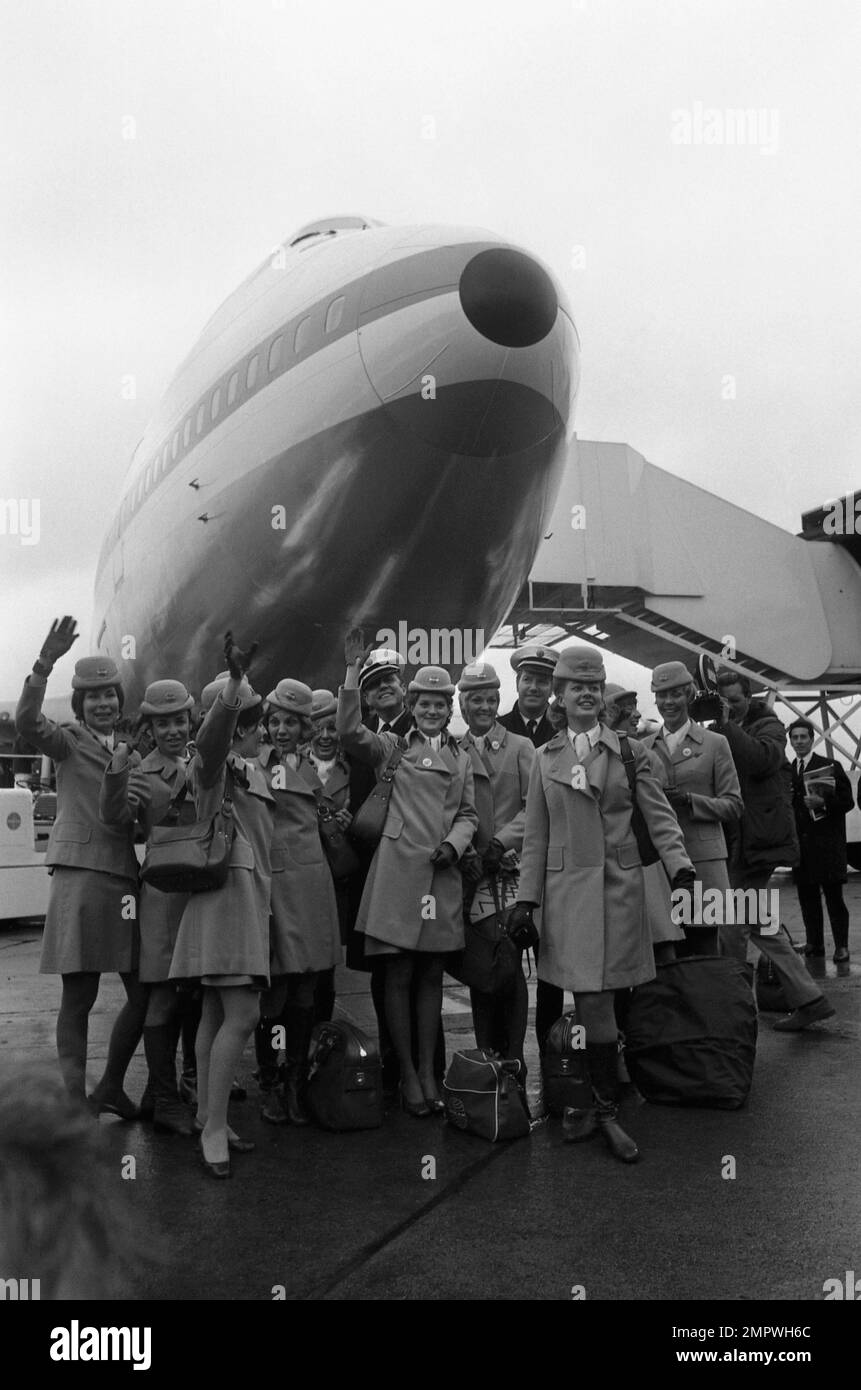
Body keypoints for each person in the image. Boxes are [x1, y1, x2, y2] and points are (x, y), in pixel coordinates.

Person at [511, 646, 696, 1163]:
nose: (587, 694)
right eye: (576, 687)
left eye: (594, 686)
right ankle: (605, 1109)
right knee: (594, 1001)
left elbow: (658, 815)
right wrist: (526, 901)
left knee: (611, 1000)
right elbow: (535, 838)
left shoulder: (631, 753)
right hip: (568, 894)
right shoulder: (545, 759)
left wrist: (680, 864)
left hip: (620, 889)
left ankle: (602, 1103)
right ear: (562, 696)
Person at [337, 630, 478, 1116]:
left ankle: (426, 1070)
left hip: (439, 875)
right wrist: (352, 671)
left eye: (441, 703)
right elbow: (348, 732)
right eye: (425, 703)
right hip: (396, 875)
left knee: (430, 980)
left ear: (448, 706)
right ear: (412, 705)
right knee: (397, 976)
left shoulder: (460, 756)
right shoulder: (391, 745)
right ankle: (411, 1077)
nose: (433, 711)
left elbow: (469, 815)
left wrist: (453, 846)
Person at [15, 618, 148, 1117]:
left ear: (119, 697)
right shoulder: (68, 741)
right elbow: (28, 722)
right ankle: (75, 1107)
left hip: (125, 879)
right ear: (79, 704)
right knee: (80, 995)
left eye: (109, 694)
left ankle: (111, 1085)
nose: (102, 703)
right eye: (91, 696)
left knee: (144, 994)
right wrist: (43, 663)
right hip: (81, 875)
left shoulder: (133, 750)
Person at [169, 636, 273, 1176]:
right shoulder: (212, 766)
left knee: (214, 1013)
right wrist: (233, 688)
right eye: (255, 722)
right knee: (244, 1012)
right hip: (226, 902)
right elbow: (211, 742)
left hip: (242, 902)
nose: (263, 730)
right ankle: (212, 1128)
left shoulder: (252, 770)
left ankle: (210, 1117)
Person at [100, 679, 198, 1136]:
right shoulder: (141, 772)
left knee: (188, 997)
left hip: (199, 893)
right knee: (160, 997)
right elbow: (116, 817)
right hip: (159, 896)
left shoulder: (202, 762)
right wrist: (119, 768)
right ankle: (162, 1096)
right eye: (164, 723)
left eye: (180, 719)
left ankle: (166, 1089)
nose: (174, 730)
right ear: (151, 728)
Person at [713, 671, 835, 1031]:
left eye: (734, 700)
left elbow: (759, 760)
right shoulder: (726, 726)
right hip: (742, 840)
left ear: (747, 697)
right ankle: (810, 999)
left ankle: (734, 1013)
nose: (729, 706)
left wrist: (723, 723)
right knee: (759, 925)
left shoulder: (769, 725)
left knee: (731, 925)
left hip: (756, 842)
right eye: (724, 701)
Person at [255, 679, 341, 1125]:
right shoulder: (257, 763)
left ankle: (294, 1080)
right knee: (277, 991)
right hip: (278, 882)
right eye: (275, 720)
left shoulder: (315, 768)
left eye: (291, 721)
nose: (282, 728)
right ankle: (270, 1080)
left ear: (306, 727)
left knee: (307, 985)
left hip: (312, 882)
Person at [456, 661, 535, 1085]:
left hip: (510, 871)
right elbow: (449, 809)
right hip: (473, 874)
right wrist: (470, 850)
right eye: (475, 700)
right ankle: (487, 1054)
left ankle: (516, 1057)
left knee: (510, 960)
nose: (484, 706)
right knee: (481, 965)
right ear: (463, 705)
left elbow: (532, 806)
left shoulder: (522, 747)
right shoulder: (454, 749)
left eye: (490, 698)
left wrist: (503, 844)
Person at [640, 662, 743, 957]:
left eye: (675, 694)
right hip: (661, 864)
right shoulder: (642, 748)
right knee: (667, 952)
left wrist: (690, 801)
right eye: (661, 696)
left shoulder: (715, 744)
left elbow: (734, 805)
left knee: (705, 950)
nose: (668, 702)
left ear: (689, 695)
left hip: (704, 864)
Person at [498, 644, 563, 1053]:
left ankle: (554, 1054)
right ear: (517, 682)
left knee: (552, 970)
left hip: (551, 869)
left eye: (542, 680)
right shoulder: (498, 727)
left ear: (552, 686)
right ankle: (507, 1058)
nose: (534, 686)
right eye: (528, 679)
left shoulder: (563, 733)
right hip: (503, 869)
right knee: (503, 971)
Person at [301, 688, 354, 1023]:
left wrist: (352, 821)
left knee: (327, 961)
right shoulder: (287, 764)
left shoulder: (354, 770)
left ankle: (319, 1033)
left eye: (331, 728)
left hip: (334, 878)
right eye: (317, 727)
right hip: (300, 872)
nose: (324, 736)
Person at [787, 718, 852, 963]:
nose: (799, 741)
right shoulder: (791, 769)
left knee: (834, 899)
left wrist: (824, 802)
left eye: (803, 737)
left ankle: (842, 946)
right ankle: (815, 943)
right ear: (790, 741)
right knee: (808, 899)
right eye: (795, 737)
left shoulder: (830, 766)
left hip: (827, 846)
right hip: (802, 849)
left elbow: (848, 802)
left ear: (812, 739)